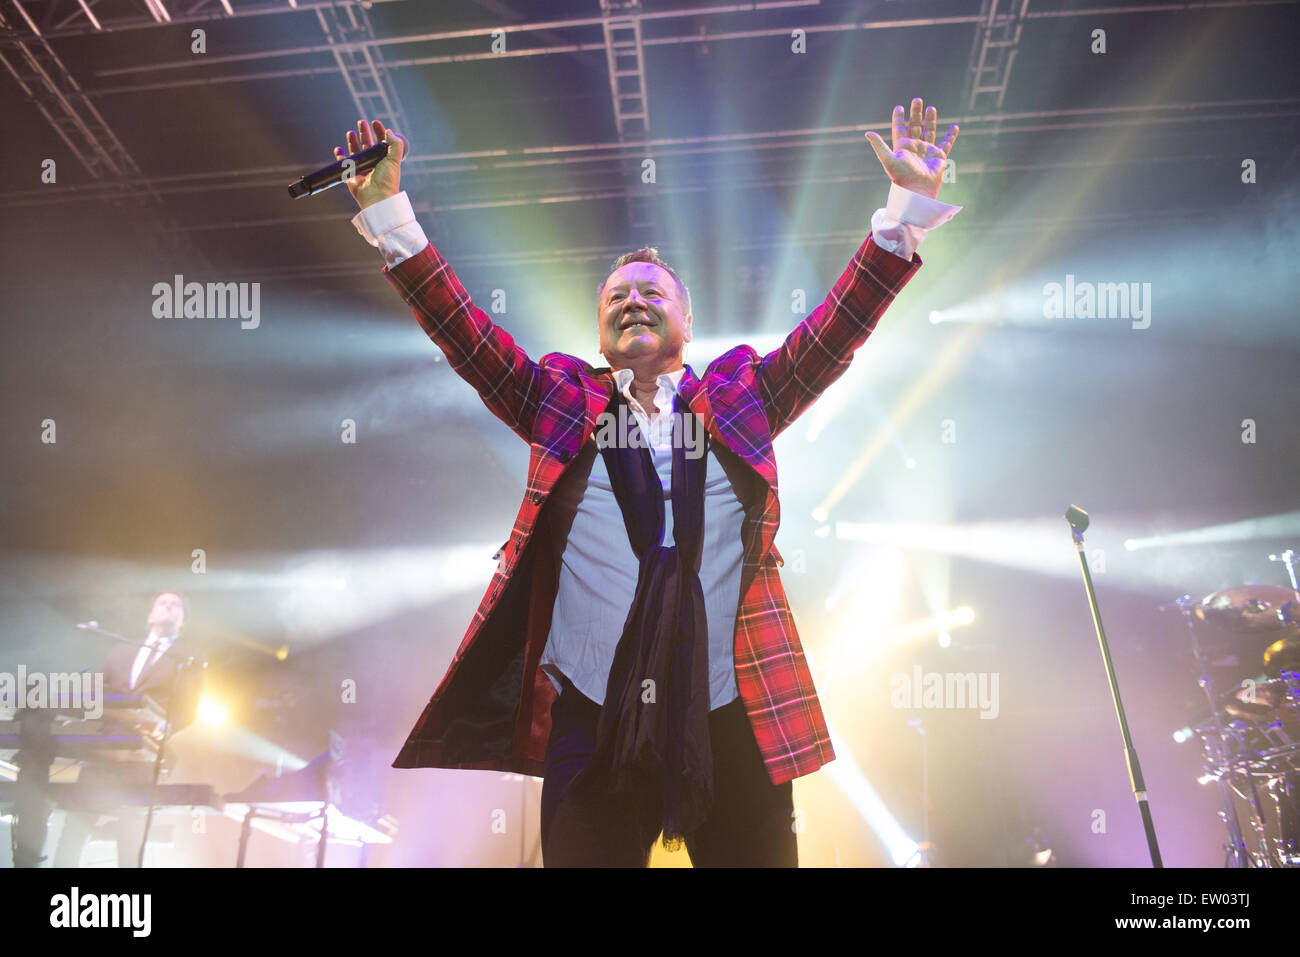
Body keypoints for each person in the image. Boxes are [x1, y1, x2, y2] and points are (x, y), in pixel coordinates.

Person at [339, 97, 961, 866]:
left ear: (686, 326)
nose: (632, 300)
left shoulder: (738, 396)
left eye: (652, 293)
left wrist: (902, 214)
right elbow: (467, 335)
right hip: (594, 716)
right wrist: (391, 213)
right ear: (599, 327)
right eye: (616, 296)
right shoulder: (563, 399)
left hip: (732, 710)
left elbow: (829, 337)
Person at [53, 590, 202, 867]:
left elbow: (189, 707)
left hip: (144, 753)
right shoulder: (121, 650)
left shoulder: (189, 658)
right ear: (150, 615)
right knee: (77, 821)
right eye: (163, 603)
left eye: (176, 605)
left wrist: (165, 726)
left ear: (182, 621)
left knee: (131, 829)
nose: (168, 607)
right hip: (104, 749)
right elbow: (98, 691)